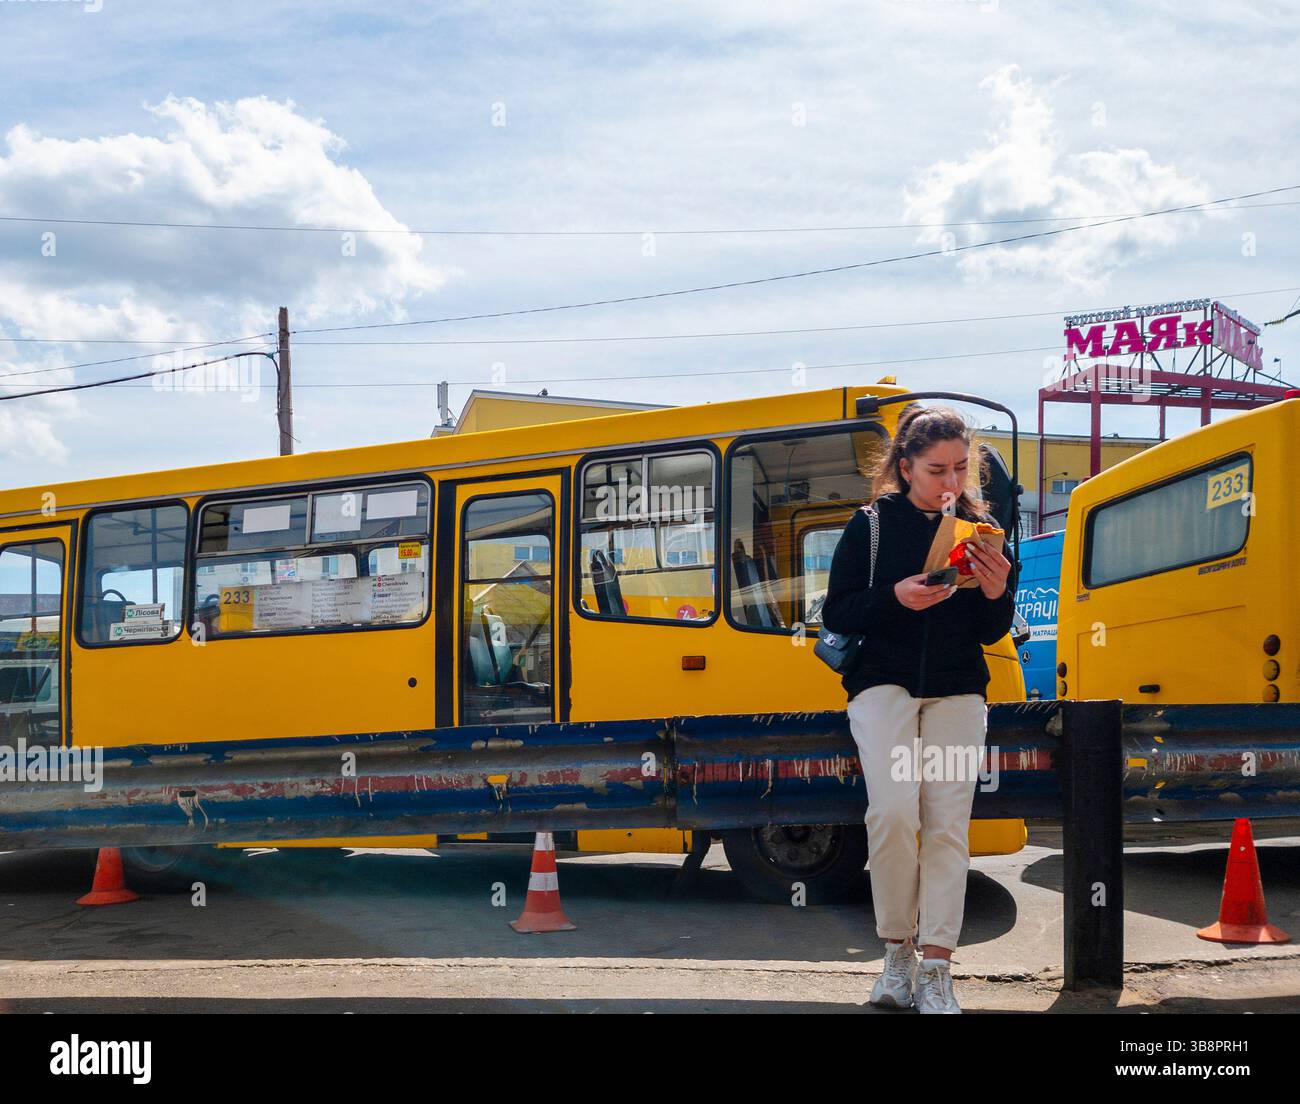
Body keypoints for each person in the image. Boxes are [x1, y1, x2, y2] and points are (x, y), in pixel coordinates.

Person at [822, 403, 1016, 1014]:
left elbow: (991, 630)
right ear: (905, 468)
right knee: (894, 811)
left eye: (962, 468)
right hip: (884, 683)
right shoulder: (871, 525)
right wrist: (895, 598)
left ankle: (936, 965)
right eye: (938, 470)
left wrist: (994, 589)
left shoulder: (980, 527)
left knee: (948, 821)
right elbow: (837, 611)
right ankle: (895, 952)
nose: (953, 483)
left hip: (960, 686)